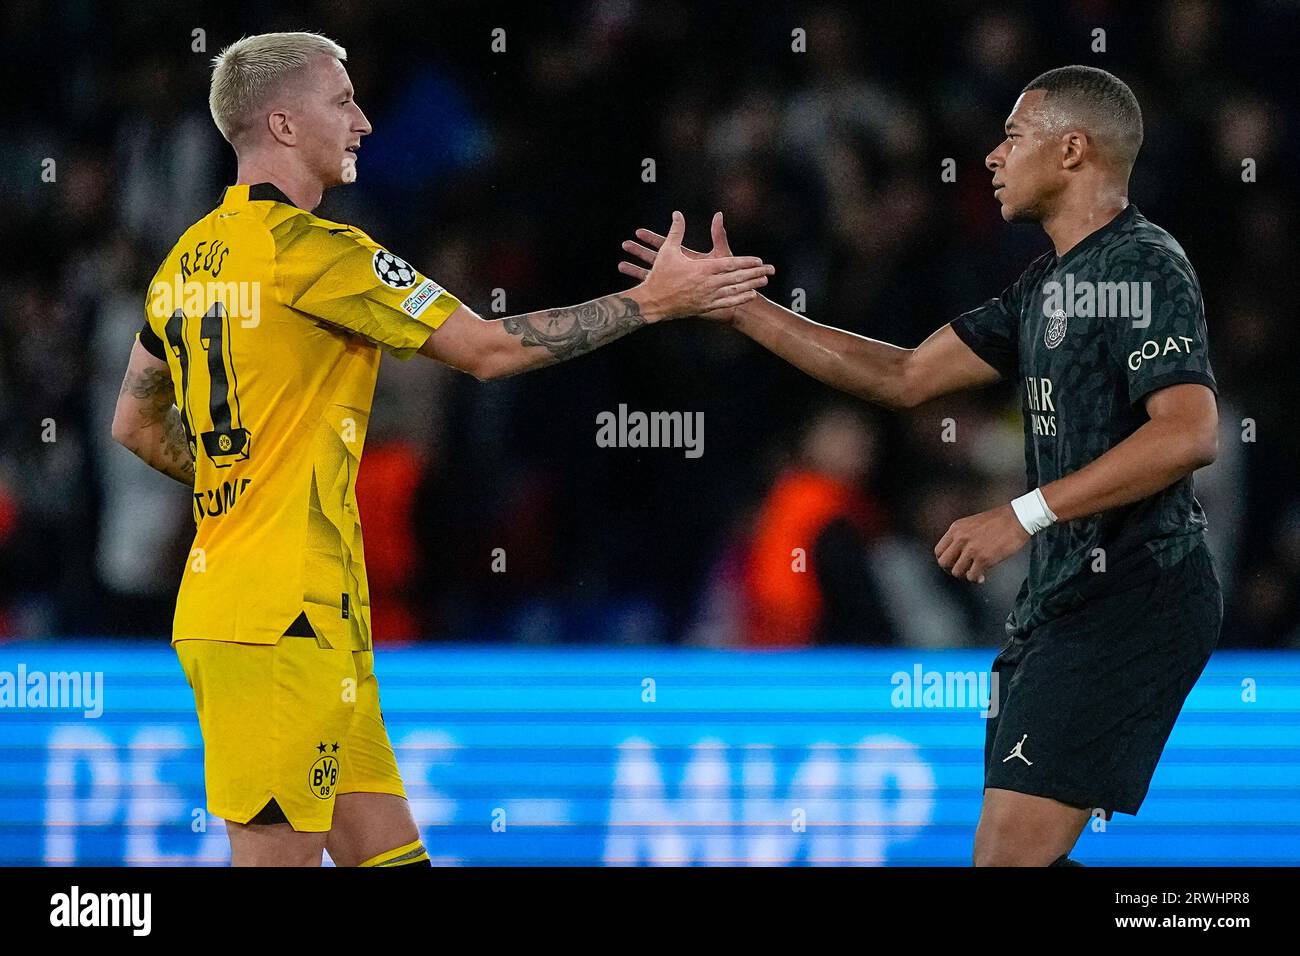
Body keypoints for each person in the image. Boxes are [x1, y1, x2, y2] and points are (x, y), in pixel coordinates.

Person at [110, 31, 772, 867]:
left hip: (288, 617)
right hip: (277, 624)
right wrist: (651, 303)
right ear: (281, 123)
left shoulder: (184, 261)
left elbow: (133, 423)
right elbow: (490, 350)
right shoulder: (322, 254)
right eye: (341, 101)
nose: (364, 122)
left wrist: (243, 478)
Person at [620, 65, 1221, 866]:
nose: (991, 158)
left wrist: (1024, 512)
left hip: (1134, 593)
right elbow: (900, 375)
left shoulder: (1142, 265)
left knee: (1007, 858)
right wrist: (738, 304)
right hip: (1060, 602)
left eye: (1013, 135)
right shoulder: (1044, 285)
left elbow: (1188, 432)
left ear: (1073, 150)